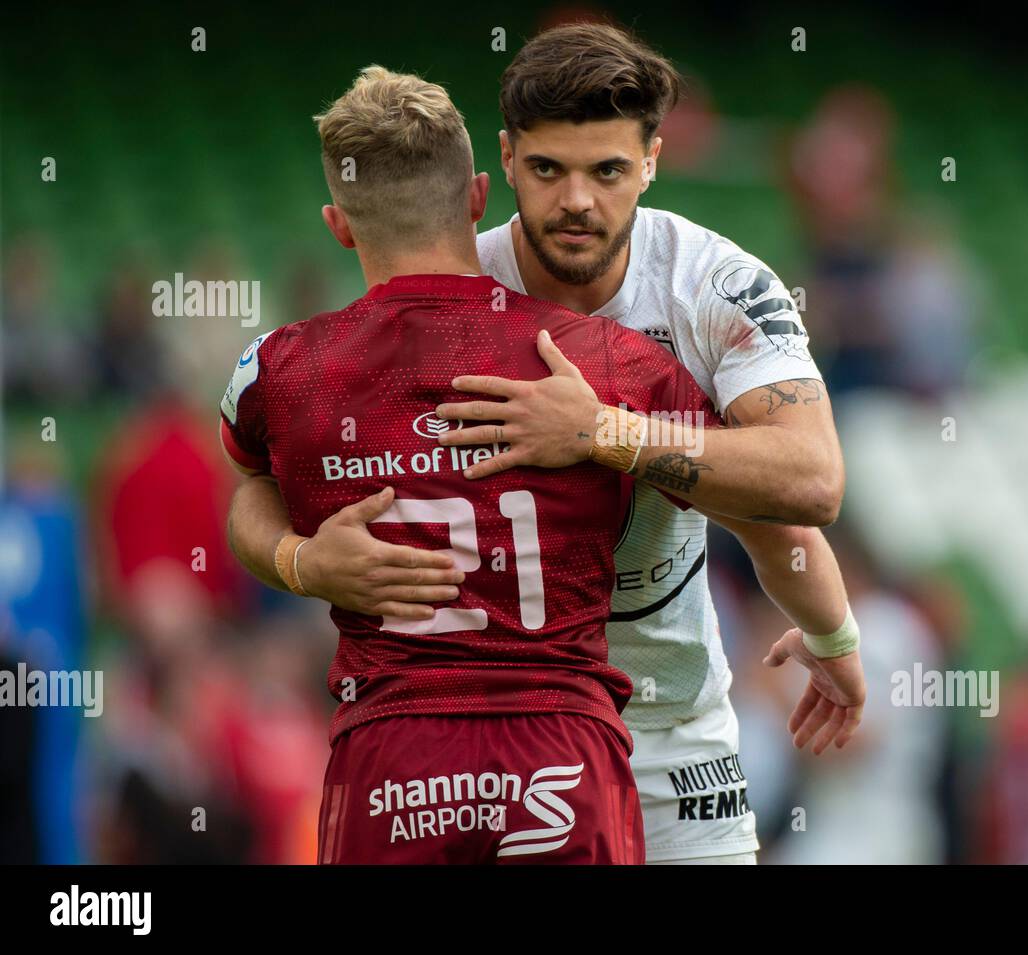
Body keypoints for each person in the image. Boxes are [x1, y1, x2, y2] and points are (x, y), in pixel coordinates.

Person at [228, 24, 866, 865]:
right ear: (500, 167)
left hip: (671, 730)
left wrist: (602, 433)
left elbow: (809, 483)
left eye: (606, 171)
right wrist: (302, 561)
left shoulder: (717, 284)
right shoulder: (451, 285)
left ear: (651, 161)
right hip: (513, 733)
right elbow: (257, 487)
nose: (576, 202)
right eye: (548, 170)